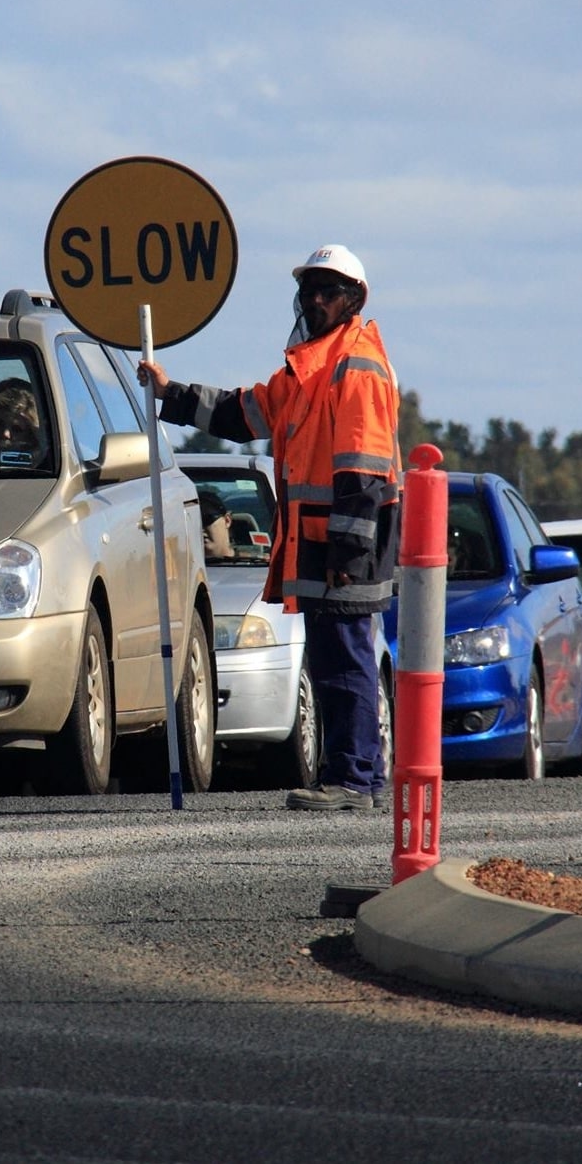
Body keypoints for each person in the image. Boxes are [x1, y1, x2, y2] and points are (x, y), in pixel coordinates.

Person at [139, 244, 401, 810]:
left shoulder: (355, 367)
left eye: (328, 291)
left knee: (346, 660)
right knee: (336, 660)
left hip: (344, 546)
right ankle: (362, 777)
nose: (315, 300)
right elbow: (245, 412)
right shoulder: (309, 370)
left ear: (353, 300)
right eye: (309, 290)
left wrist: (345, 552)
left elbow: (365, 472)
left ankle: (353, 780)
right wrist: (170, 394)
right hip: (324, 545)